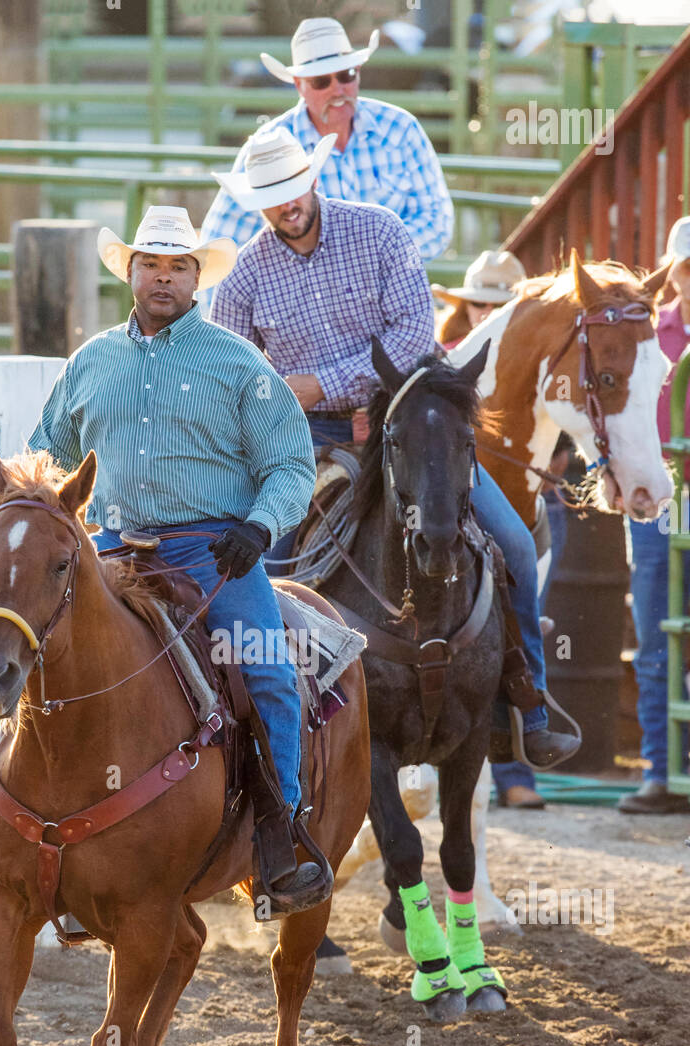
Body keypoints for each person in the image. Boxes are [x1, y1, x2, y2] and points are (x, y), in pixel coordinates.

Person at [209, 131, 580, 772]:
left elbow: (413, 338)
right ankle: (262, 713)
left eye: (291, 190)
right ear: (258, 205)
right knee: (268, 564)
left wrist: (318, 383)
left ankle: (527, 699)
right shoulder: (245, 276)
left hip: (414, 413)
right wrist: (280, 403)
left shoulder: (380, 234)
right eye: (270, 198)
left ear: (312, 180)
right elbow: (228, 368)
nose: (285, 206)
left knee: (514, 544)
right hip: (309, 435)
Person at [0, 206, 330, 914]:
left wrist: (260, 527)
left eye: (179, 266)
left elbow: (291, 465)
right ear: (129, 271)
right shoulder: (91, 362)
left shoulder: (238, 361)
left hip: (217, 553)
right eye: (150, 264)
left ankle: (281, 833)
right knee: (15, 646)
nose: (163, 277)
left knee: (267, 668)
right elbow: (45, 453)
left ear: (196, 279)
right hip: (110, 551)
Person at [435, 250, 571, 809]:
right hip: (452, 487)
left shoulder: (540, 368)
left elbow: (559, 436)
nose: (483, 314)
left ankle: (523, 744)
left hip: (516, 500)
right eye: (477, 305)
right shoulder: (444, 362)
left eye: (496, 306)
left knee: (518, 599)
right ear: (465, 309)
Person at [199, 16, 453, 266]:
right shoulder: (267, 148)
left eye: (346, 75)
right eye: (321, 81)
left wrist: (371, 259)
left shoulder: (400, 128)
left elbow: (437, 222)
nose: (337, 89)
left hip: (389, 288)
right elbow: (222, 248)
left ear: (358, 74)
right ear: (300, 86)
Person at [618, 214, 690, 814]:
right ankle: (661, 769)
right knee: (655, 632)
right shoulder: (651, 329)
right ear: (671, 269)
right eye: (688, 265)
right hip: (658, 501)